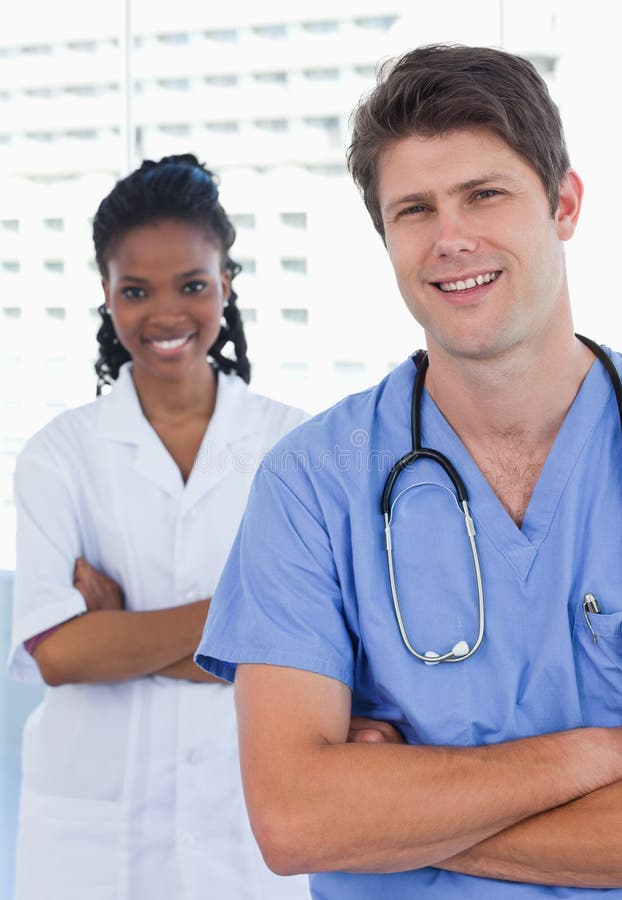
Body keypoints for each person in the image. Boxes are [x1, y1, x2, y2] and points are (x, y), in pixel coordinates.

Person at [195, 45, 622, 898]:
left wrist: (398, 821)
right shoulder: (311, 484)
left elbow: (336, 823)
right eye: (414, 209)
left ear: (564, 203)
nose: (450, 238)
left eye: (485, 194)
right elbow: (296, 821)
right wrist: (597, 755)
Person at [8, 154, 312, 899]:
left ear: (227, 285)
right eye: (135, 290)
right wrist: (244, 624)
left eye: (193, 285)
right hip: (92, 836)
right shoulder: (59, 455)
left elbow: (317, 653)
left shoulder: (295, 447)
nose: (165, 313)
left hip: (246, 823)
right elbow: (60, 653)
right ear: (106, 296)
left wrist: (121, 633)